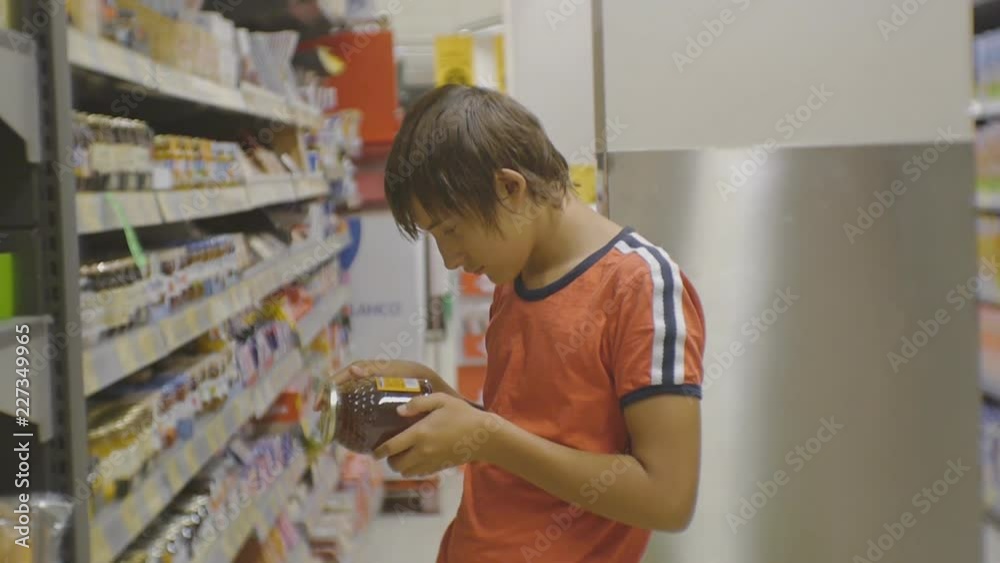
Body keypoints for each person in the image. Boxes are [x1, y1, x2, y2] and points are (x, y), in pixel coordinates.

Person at [334, 84, 706, 563]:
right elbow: (535, 437)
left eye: (450, 229)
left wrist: (486, 436)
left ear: (510, 188)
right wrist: (446, 402)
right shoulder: (515, 278)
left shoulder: (642, 287)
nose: (450, 258)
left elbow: (668, 499)